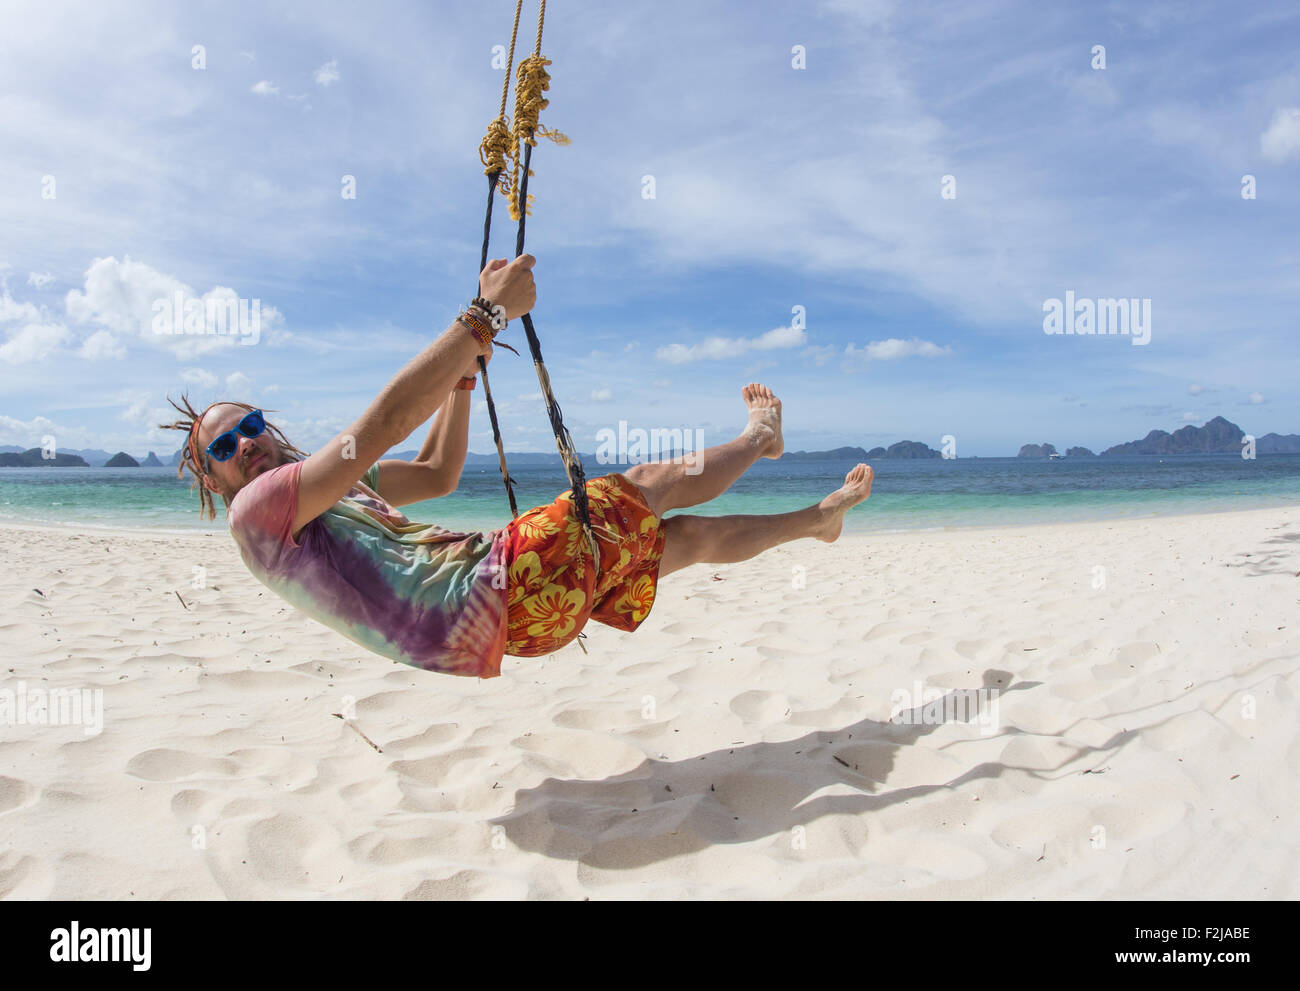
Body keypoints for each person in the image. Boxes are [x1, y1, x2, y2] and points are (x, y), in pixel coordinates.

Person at [161, 254, 874, 678]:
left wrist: (462, 383)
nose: (246, 444)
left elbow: (438, 470)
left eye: (249, 426)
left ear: (269, 426)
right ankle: (760, 438)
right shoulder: (258, 513)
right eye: (224, 448)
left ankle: (819, 520)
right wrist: (483, 318)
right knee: (644, 488)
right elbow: (377, 428)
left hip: (523, 617)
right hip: (503, 587)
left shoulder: (333, 498)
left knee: (682, 540)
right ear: (213, 481)